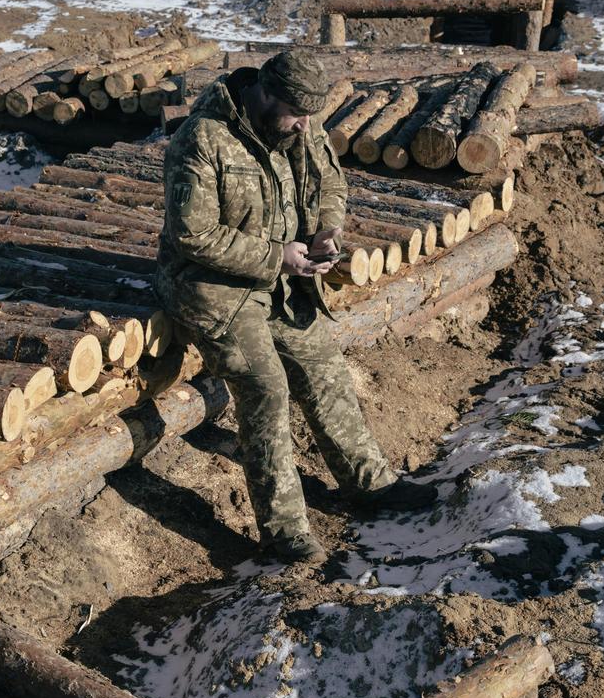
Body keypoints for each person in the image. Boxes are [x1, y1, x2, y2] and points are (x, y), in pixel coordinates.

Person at [154, 48, 419, 566]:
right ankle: (284, 531)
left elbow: (331, 184)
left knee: (323, 365)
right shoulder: (203, 139)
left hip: (280, 279)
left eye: (309, 117)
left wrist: (327, 230)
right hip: (210, 287)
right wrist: (277, 257)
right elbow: (193, 235)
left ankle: (369, 484)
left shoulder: (300, 125)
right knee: (266, 386)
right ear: (265, 94)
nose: (302, 126)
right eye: (295, 114)